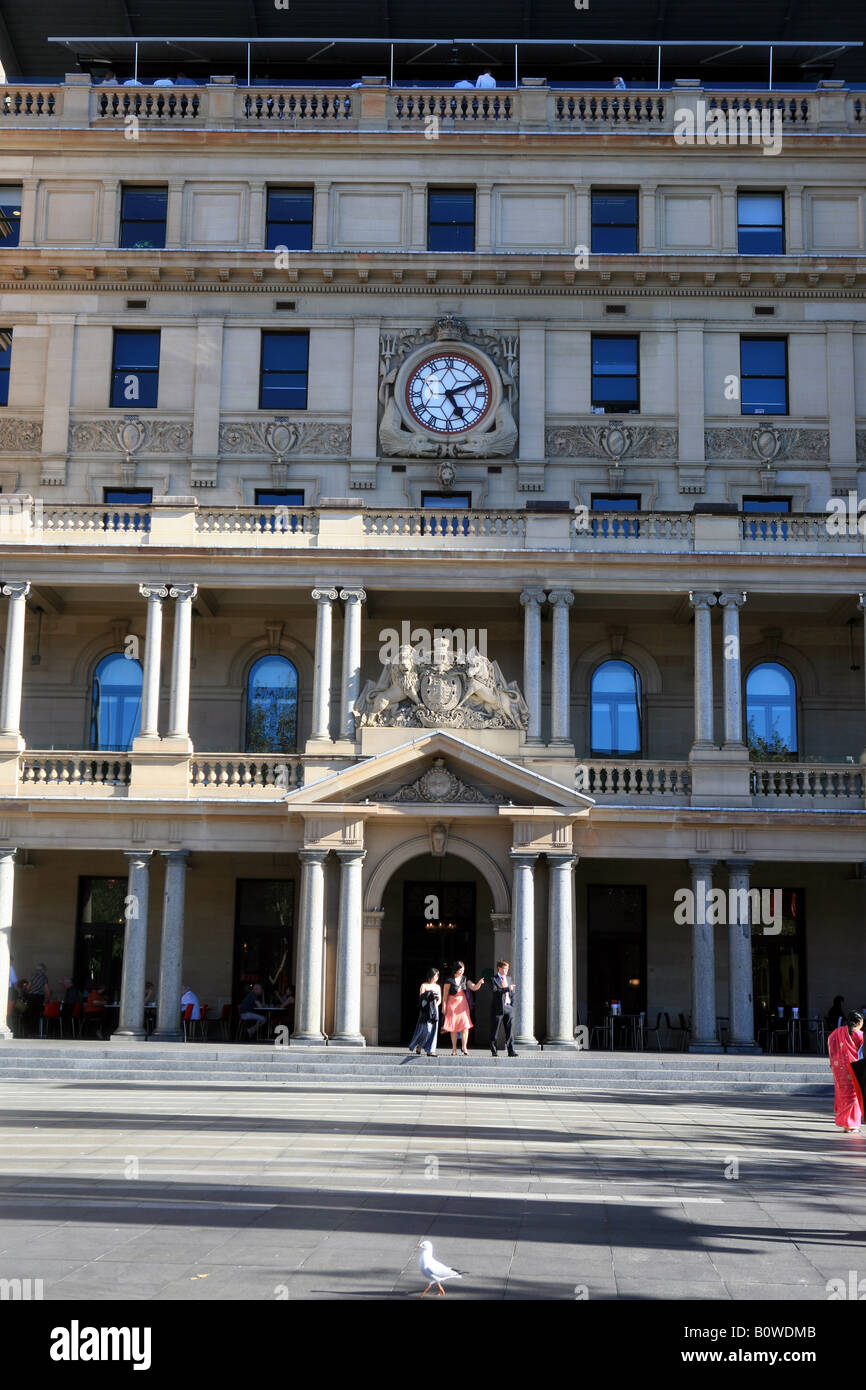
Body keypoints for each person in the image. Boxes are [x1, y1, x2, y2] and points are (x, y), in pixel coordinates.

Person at [827, 1011, 864, 1132]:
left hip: (841, 1069)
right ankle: (852, 1124)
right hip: (855, 1068)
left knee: (844, 1095)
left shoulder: (838, 1032)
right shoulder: (860, 1035)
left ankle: (845, 1123)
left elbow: (830, 1040)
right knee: (855, 1096)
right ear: (859, 1022)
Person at [441, 961, 485, 1056]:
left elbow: (474, 987)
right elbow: (444, 995)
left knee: (465, 1026)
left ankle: (464, 1047)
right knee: (453, 1028)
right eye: (460, 970)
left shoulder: (465, 979)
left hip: (462, 1005)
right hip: (452, 1004)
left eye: (463, 970)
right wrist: (443, 1007)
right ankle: (454, 1049)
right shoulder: (449, 980)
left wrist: (479, 983)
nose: (461, 972)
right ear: (456, 969)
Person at [408, 969, 441, 1057]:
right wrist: (428, 1002)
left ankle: (431, 1050)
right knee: (426, 1029)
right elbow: (421, 998)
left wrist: (434, 1006)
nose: (436, 977)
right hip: (426, 1011)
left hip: (434, 1010)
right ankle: (419, 1045)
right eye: (435, 975)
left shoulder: (438, 987)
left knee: (433, 1031)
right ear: (431, 975)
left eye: (438, 976)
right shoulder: (424, 985)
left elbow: (440, 1000)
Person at [489, 959, 517, 1057]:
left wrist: (512, 1006)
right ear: (499, 968)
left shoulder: (509, 979)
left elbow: (512, 993)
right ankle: (494, 1050)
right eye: (504, 968)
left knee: (509, 1031)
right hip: (498, 1008)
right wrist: (507, 989)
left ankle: (511, 1051)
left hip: (508, 1007)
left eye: (507, 968)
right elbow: (496, 991)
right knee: (495, 1030)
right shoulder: (494, 979)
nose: (506, 970)